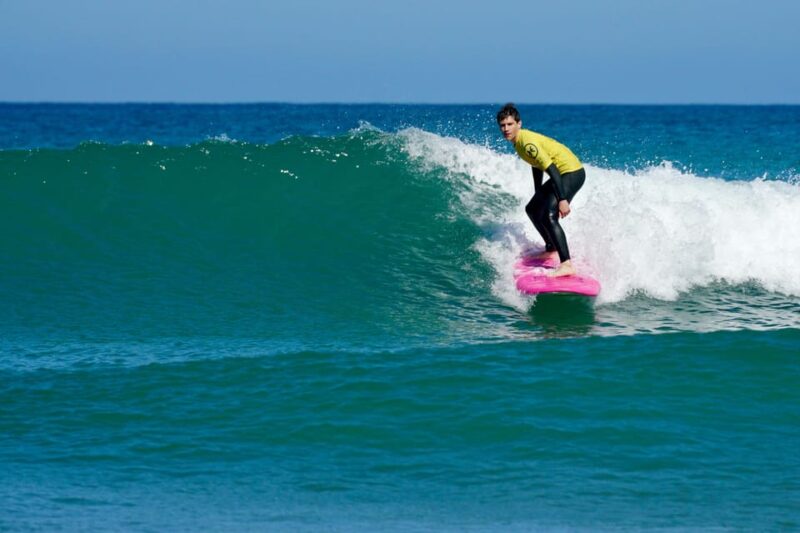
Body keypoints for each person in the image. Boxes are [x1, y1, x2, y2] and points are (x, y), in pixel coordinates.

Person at [497, 103, 586, 277]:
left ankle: (566, 264)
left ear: (519, 124)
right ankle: (551, 247)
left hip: (570, 172)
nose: (506, 129)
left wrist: (562, 199)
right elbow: (536, 164)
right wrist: (539, 192)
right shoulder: (518, 142)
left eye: (510, 124)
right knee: (532, 209)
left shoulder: (526, 142)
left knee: (548, 214)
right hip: (562, 173)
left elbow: (551, 168)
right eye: (503, 125)